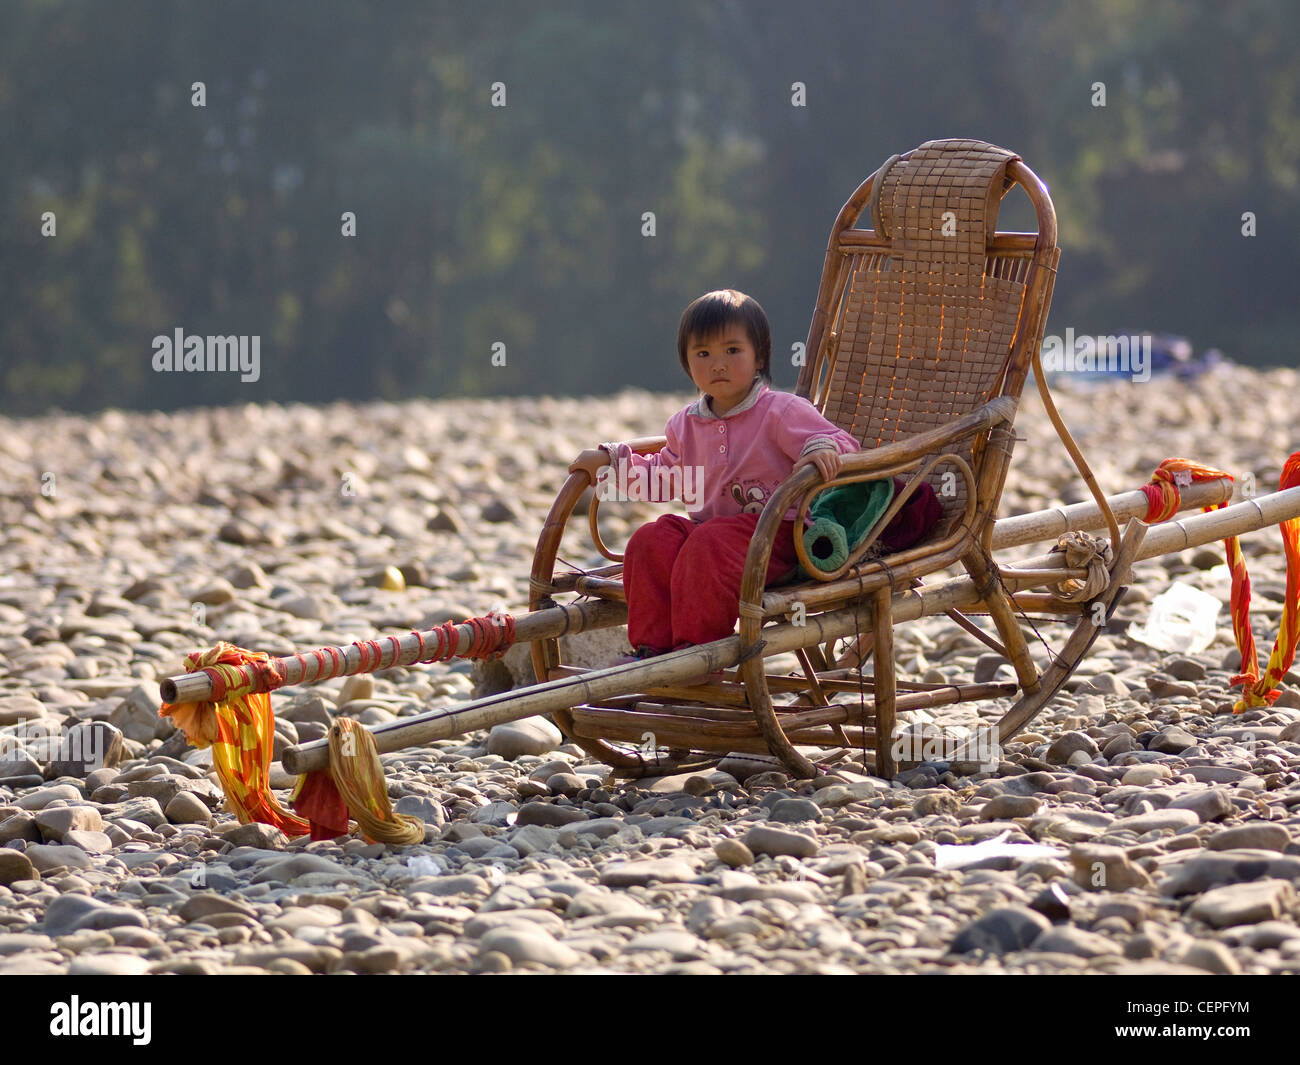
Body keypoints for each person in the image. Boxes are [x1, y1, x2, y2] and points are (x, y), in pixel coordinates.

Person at [567, 289, 860, 672]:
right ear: (687, 364)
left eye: (732, 351)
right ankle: (652, 651)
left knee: (706, 543)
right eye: (703, 354)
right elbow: (664, 477)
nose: (718, 364)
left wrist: (820, 448)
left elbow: (843, 442)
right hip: (713, 538)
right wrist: (611, 462)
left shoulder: (779, 411)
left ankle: (698, 653)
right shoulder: (687, 424)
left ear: (759, 357)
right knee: (651, 539)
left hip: (779, 538)